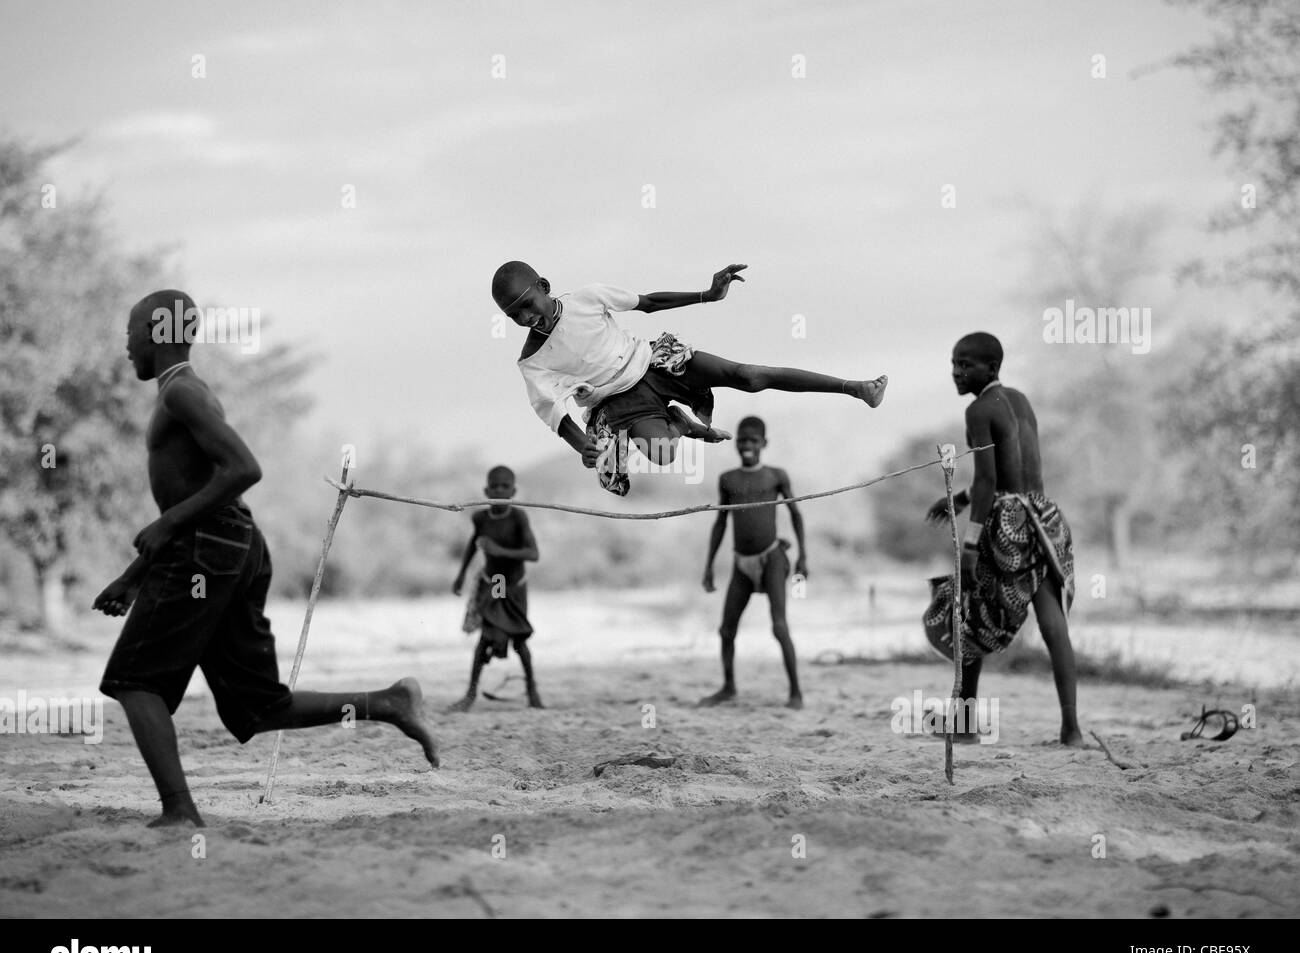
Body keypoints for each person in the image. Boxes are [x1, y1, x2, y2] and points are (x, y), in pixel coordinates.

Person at [94, 290, 439, 827]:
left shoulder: (181, 393)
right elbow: (204, 492)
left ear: (155, 333)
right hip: (227, 546)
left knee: (135, 681)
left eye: (130, 333)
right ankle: (390, 702)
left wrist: (165, 524)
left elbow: (243, 469)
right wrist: (136, 575)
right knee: (256, 705)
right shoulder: (183, 393)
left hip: (208, 549)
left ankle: (180, 811)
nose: (125, 347)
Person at [492, 261, 888, 495]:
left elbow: (648, 304)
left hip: (654, 362)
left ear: (544, 287)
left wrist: (706, 295)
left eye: (528, 305)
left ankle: (854, 388)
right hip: (618, 402)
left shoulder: (588, 298)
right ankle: (680, 423)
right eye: (515, 316)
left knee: (747, 376)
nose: (526, 318)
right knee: (664, 454)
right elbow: (552, 412)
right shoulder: (532, 361)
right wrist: (584, 446)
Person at [922, 331, 1082, 746]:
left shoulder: (978, 411)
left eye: (966, 364)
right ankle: (1071, 730)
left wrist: (971, 545)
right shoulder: (1020, 400)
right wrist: (956, 499)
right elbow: (1016, 469)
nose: (956, 372)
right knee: (1053, 622)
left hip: (1008, 521)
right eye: (954, 363)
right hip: (1043, 515)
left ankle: (965, 724)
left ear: (990, 368)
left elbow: (990, 481)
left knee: (969, 611)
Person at [701, 417, 807, 709]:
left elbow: (796, 514)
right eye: (742, 440)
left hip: (772, 557)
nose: (747, 445)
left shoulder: (776, 476)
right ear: (736, 443)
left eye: (753, 441)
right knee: (725, 630)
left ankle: (796, 692)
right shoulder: (728, 479)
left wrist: (803, 556)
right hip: (741, 563)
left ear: (764, 444)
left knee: (779, 627)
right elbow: (721, 521)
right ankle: (728, 687)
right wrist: (709, 564)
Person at [448, 466, 542, 711]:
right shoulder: (480, 517)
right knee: (484, 639)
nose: (499, 490)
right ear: (486, 490)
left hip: (514, 587)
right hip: (492, 584)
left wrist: (500, 551)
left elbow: (533, 553)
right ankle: (469, 695)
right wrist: (460, 575)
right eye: (495, 486)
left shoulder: (519, 517)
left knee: (519, 639)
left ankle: (533, 692)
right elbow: (473, 543)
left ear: (513, 491)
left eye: (505, 486)